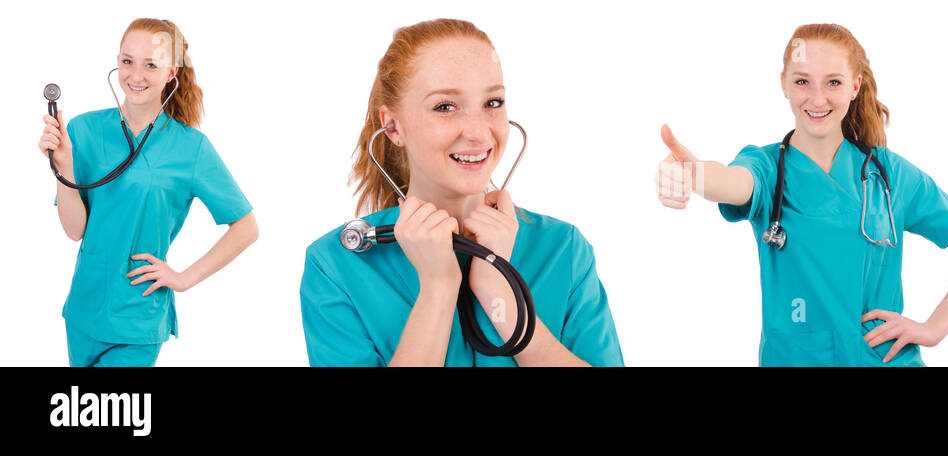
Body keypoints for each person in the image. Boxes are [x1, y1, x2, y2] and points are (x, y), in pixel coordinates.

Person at [656, 23, 948, 366]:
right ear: (784, 85)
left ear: (855, 86)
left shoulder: (889, 174)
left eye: (833, 82)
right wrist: (694, 173)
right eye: (802, 81)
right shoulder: (766, 168)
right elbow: (733, 182)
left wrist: (934, 328)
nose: (817, 98)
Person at [299, 19, 623, 367]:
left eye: (493, 102)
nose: (479, 133)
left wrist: (499, 290)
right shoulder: (337, 265)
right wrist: (438, 287)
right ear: (392, 127)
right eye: (445, 107)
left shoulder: (563, 250)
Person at [37, 18, 258, 367]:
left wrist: (183, 278)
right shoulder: (82, 130)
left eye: (150, 65)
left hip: (138, 318)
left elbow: (246, 227)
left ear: (172, 71)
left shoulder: (191, 148)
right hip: (83, 310)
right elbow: (75, 230)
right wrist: (63, 166)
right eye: (127, 61)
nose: (135, 76)